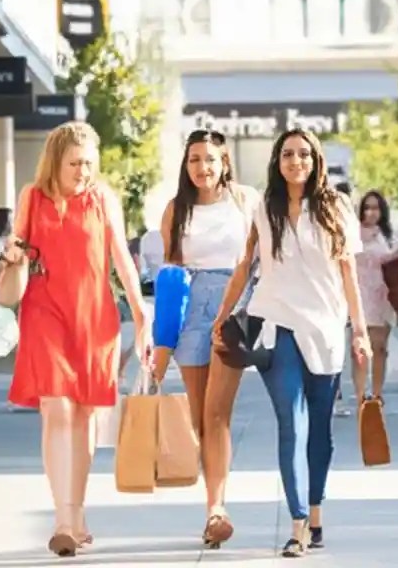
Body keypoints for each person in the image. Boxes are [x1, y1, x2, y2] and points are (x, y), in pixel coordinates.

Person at [213, 129, 371, 557]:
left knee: (319, 429)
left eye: (303, 153)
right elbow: (246, 265)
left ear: (316, 159)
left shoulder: (337, 206)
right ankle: (298, 524)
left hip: (325, 328)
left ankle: (315, 512)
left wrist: (359, 330)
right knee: (291, 422)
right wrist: (224, 315)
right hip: (276, 322)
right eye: (287, 154)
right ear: (277, 161)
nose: (296, 160)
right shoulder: (266, 207)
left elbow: (348, 273)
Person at [1, 122, 149, 556]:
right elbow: (20, 242)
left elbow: (120, 256)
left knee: (85, 416)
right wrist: (12, 251)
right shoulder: (34, 195)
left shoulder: (103, 198)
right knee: (58, 410)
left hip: (93, 316)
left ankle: (77, 511)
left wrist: (141, 317)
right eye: (75, 163)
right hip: (45, 309)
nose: (83, 171)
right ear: (56, 161)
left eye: (89, 163)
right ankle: (63, 518)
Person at [155, 128, 258, 547]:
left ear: (224, 162)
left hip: (234, 307)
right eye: (194, 160)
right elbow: (170, 276)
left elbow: (256, 259)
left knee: (218, 412)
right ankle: (210, 506)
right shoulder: (176, 209)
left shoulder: (245, 201)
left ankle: (218, 508)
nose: (202, 168)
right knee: (199, 417)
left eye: (210, 159)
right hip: (190, 309)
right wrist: (161, 343)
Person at [356, 190, 398, 401]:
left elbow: (393, 259)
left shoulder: (387, 235)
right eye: (367, 208)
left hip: (383, 294)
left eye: (376, 208)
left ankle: (377, 392)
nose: (371, 212)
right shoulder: (352, 233)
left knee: (380, 347)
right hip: (359, 293)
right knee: (360, 348)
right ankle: (360, 392)